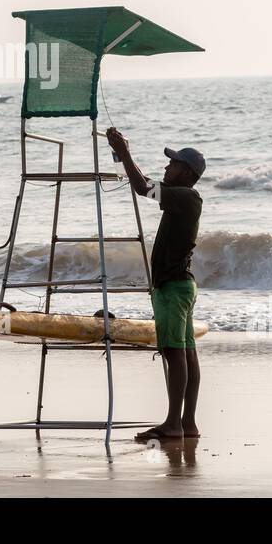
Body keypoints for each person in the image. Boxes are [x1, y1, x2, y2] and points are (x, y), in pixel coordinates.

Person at [104, 127, 205, 444]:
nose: (167, 167)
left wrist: (124, 151)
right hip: (181, 287)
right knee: (186, 353)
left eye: (172, 164)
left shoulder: (185, 196)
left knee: (175, 353)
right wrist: (119, 154)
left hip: (173, 288)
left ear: (186, 172)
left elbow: (142, 187)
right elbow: (140, 183)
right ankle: (186, 423)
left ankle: (174, 423)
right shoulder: (184, 198)